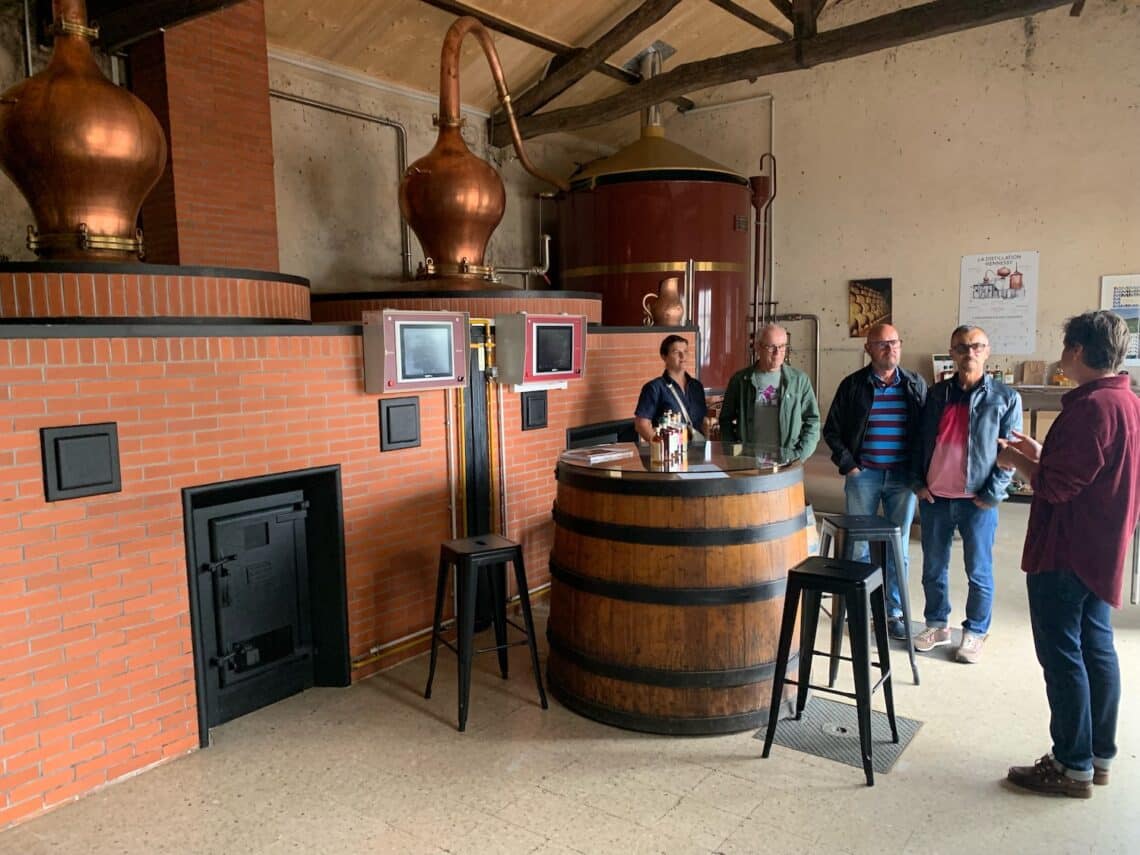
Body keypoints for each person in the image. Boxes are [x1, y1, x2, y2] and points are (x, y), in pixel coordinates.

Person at [997, 311, 1140, 798]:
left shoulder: (1091, 408)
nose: (1061, 356)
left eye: (1065, 347)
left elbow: (1057, 488)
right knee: (1096, 648)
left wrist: (1017, 461)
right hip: (1100, 549)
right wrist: (1041, 451)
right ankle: (1098, 755)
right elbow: (1086, 471)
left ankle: (1070, 763)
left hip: (1067, 552)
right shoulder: (1125, 401)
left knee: (1063, 656)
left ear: (1078, 351)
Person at [911, 324, 1021, 663]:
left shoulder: (1005, 397)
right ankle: (937, 624)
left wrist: (992, 493)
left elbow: (1011, 452)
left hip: (977, 501)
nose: (968, 353)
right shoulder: (936, 394)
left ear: (987, 351)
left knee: (979, 570)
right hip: (936, 498)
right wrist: (918, 483)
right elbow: (919, 441)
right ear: (952, 352)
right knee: (933, 567)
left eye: (976, 346)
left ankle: (975, 631)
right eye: (961, 347)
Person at [822, 323, 927, 640]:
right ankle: (859, 608)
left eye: (894, 342)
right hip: (863, 475)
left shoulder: (914, 384)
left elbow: (926, 433)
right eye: (882, 344)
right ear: (868, 349)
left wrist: (919, 474)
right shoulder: (853, 386)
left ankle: (893, 612)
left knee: (898, 548)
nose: (889, 349)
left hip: (902, 479)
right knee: (858, 546)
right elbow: (832, 431)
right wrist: (849, 465)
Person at [719, 323, 820, 461]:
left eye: (782, 346)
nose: (778, 353)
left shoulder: (799, 380)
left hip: (786, 462)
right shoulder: (741, 380)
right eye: (771, 347)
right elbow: (725, 421)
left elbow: (813, 421)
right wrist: (735, 454)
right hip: (748, 461)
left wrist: (799, 455)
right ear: (757, 347)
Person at [633, 334, 707, 442]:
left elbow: (702, 421)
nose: (683, 356)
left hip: (698, 451)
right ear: (664, 356)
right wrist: (659, 448)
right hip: (671, 453)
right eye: (676, 352)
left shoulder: (697, 386)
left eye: (686, 352)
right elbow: (641, 424)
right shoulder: (654, 388)